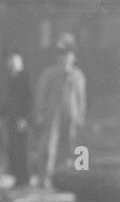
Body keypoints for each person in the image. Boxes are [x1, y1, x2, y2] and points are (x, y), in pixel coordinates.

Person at [34, 38, 87, 187]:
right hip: (53, 115)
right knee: (48, 147)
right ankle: (45, 178)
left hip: (72, 115)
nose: (65, 58)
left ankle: (77, 178)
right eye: (62, 54)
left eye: (68, 54)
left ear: (74, 57)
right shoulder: (49, 73)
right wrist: (40, 112)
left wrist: (81, 116)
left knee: (74, 147)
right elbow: (41, 94)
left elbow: (81, 98)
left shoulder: (78, 75)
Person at [0, 51, 32, 187]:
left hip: (21, 120)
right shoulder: (9, 79)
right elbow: (6, 100)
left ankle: (24, 179)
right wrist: (0, 115)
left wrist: (26, 118)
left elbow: (30, 100)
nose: (11, 63)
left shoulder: (25, 78)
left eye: (14, 61)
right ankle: (18, 178)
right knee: (12, 149)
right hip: (10, 120)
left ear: (20, 62)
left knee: (21, 150)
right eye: (10, 61)